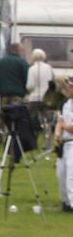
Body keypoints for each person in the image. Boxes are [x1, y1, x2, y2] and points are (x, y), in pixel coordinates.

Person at [55, 76, 73, 212]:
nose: (68, 89)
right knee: (61, 173)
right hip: (65, 143)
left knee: (71, 175)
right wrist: (57, 132)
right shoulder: (65, 104)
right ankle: (65, 201)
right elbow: (60, 121)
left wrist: (65, 126)